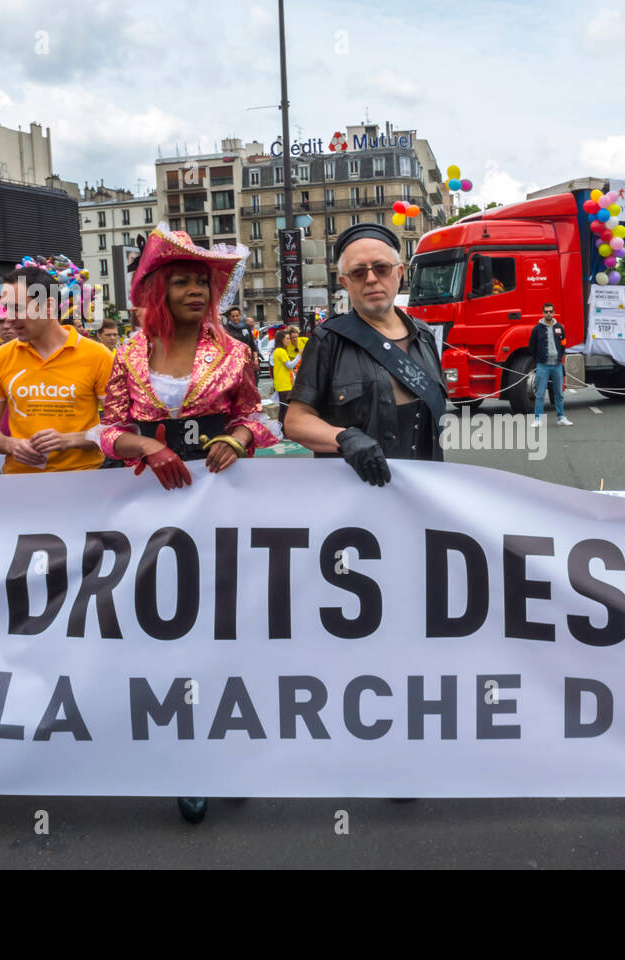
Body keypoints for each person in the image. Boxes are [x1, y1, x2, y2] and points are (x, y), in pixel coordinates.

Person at [99, 225, 279, 824]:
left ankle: (229, 754)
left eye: (203, 282)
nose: (197, 291)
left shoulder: (234, 353)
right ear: (159, 289)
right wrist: (145, 448)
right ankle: (187, 761)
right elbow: (107, 429)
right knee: (166, 641)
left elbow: (258, 416)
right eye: (183, 281)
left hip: (221, 515)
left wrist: (236, 434)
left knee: (225, 637)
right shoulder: (127, 354)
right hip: (149, 518)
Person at [284, 222, 446, 486]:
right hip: (355, 496)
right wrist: (343, 438)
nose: (371, 279)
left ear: (399, 272)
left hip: (422, 493)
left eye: (381, 268)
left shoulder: (425, 336)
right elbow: (295, 422)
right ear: (344, 282)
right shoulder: (328, 340)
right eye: (359, 272)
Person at [0, 260, 114, 473]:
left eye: (17, 309)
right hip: (20, 484)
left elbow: (119, 428)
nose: (8, 320)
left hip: (83, 483)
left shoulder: (97, 355)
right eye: (6, 309)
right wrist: (10, 445)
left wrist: (72, 439)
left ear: (48, 306)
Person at [530, 302, 572, 426]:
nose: (548, 313)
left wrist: (559, 356)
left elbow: (563, 343)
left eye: (550, 311)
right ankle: (538, 419)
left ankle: (561, 417)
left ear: (553, 312)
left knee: (559, 393)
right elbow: (532, 346)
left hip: (557, 366)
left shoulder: (559, 327)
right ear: (543, 313)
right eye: (546, 311)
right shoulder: (537, 329)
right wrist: (538, 359)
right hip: (543, 366)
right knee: (540, 394)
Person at [270, 325, 300, 427]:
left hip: (283, 383)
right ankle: (285, 429)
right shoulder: (281, 351)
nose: (289, 341)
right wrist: (299, 355)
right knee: (286, 408)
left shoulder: (279, 351)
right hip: (283, 384)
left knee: (284, 408)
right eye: (287, 339)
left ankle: (282, 428)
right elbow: (290, 365)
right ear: (281, 340)